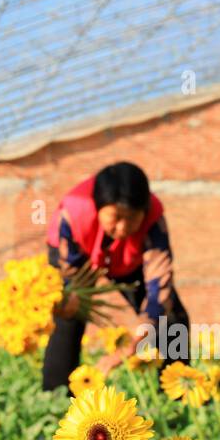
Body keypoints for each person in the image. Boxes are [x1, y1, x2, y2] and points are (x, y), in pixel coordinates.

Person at [42, 161, 190, 391]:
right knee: (69, 318)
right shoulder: (73, 213)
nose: (122, 227)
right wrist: (69, 294)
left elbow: (159, 282)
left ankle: (178, 392)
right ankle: (54, 397)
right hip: (77, 256)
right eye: (116, 216)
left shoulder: (153, 220)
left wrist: (143, 329)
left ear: (144, 212)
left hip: (130, 261)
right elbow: (67, 269)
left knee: (172, 319)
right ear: (98, 207)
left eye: (132, 218)